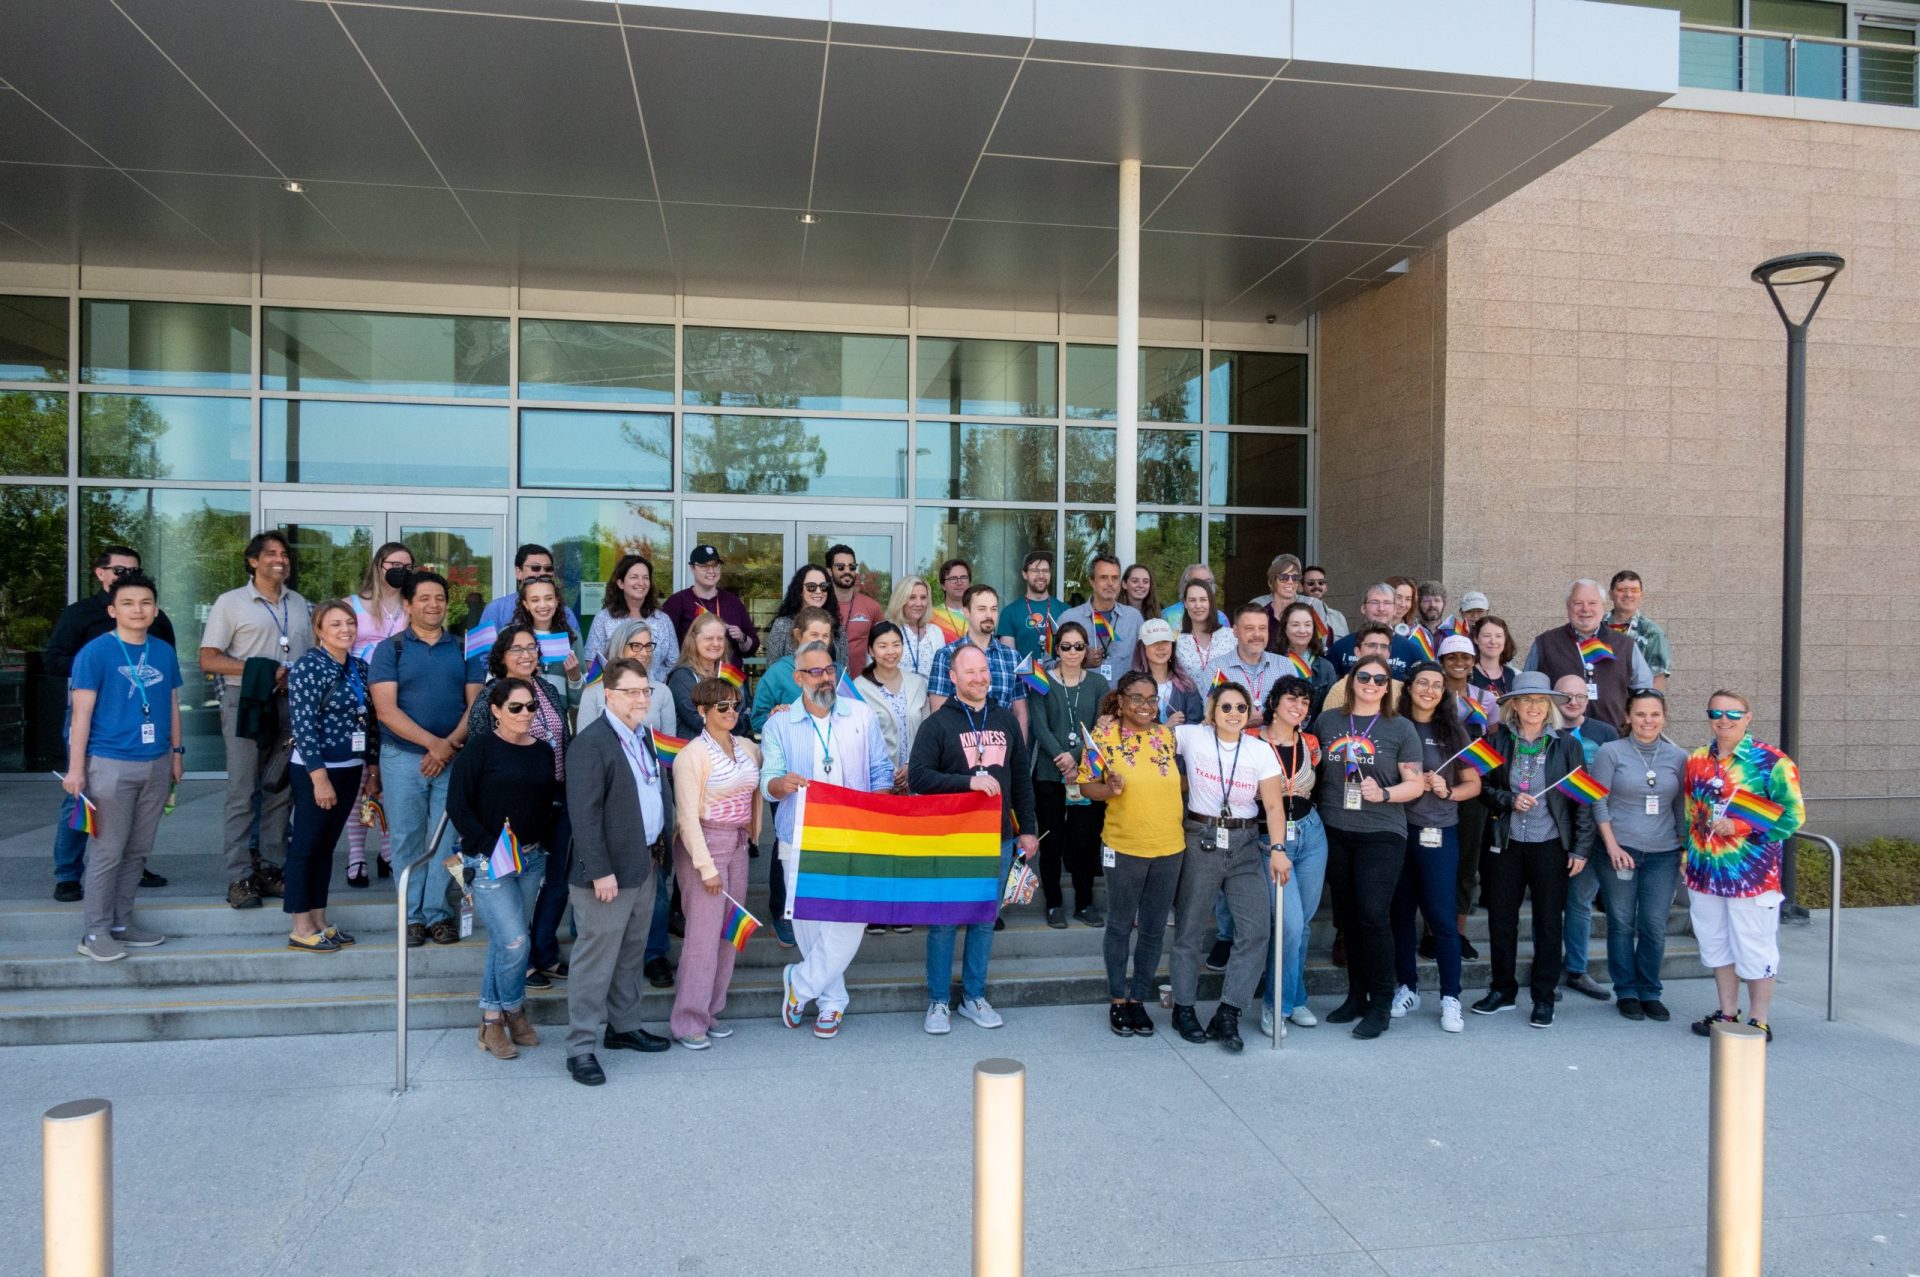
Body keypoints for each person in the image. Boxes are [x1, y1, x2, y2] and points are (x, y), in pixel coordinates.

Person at [764, 641, 894, 1038]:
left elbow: (880, 771)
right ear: (798, 677)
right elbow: (767, 783)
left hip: (853, 837)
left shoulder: (860, 714)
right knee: (810, 926)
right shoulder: (779, 724)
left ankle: (800, 984)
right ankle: (832, 1001)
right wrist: (781, 784)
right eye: (815, 671)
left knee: (851, 918)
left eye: (829, 669)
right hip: (800, 837)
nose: (825, 677)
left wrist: (881, 810)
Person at [912, 644, 1038, 1034]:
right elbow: (918, 777)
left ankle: (974, 997)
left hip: (998, 837)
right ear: (953, 678)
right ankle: (937, 1001)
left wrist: (1029, 829)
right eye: (970, 672)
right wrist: (968, 782)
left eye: (983, 670)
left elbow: (1019, 778)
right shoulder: (937, 724)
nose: (980, 678)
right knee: (945, 921)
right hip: (952, 838)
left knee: (984, 920)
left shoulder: (1004, 718)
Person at [562, 658, 674, 1086]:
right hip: (606, 875)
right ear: (608, 695)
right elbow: (584, 816)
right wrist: (599, 871)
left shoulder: (641, 734)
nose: (642, 698)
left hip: (643, 863)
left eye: (645, 690)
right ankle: (580, 1048)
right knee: (595, 962)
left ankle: (623, 1028)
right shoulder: (591, 743)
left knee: (630, 954)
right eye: (632, 691)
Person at [44, 545, 177, 902]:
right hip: (93, 717)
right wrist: (103, 669)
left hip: (142, 723)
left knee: (135, 807)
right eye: (119, 571)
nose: (126, 577)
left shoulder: (157, 620)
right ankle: (69, 872)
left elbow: (166, 676)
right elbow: (52, 660)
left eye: (133, 570)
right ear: (101, 574)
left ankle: (134, 865)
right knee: (81, 795)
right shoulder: (81, 615)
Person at [62, 572, 182, 962]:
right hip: (109, 764)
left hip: (156, 763)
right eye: (128, 603)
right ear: (113, 610)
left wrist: (177, 753)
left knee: (138, 850)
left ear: (156, 609)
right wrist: (75, 769)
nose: (138, 610)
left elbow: (172, 704)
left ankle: (121, 923)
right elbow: (80, 714)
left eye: (146, 602)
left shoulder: (162, 651)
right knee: (107, 851)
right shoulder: (95, 653)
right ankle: (94, 933)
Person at [1167, 680, 1292, 1052]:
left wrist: (1280, 848)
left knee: (1256, 929)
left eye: (1241, 707)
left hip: (1245, 844)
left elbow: (1273, 806)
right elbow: (1150, 740)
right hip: (1200, 836)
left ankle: (1229, 1011)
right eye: (1226, 707)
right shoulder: (1192, 737)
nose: (1234, 714)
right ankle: (1184, 1008)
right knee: (1189, 930)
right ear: (1212, 710)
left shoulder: (1260, 750)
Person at [1471, 671, 1596, 1027]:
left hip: (1550, 845)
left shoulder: (1568, 745)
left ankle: (1543, 997)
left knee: (1547, 923)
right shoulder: (1496, 741)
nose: (1533, 707)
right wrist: (1509, 799)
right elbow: (1478, 786)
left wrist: (1581, 849)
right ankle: (1502, 990)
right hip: (1506, 844)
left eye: (1540, 701)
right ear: (1513, 705)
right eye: (1526, 700)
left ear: (1550, 707)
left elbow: (1582, 802)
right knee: (1501, 921)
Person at [1312, 653, 1425, 1040]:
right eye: (1365, 677)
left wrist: (1386, 792)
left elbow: (1416, 783)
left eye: (1381, 680)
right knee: (1347, 917)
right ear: (1351, 679)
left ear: (1388, 687)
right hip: (1335, 829)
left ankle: (1381, 1002)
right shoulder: (1328, 722)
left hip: (1381, 832)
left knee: (1373, 915)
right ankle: (1356, 995)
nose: (1372, 685)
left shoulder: (1400, 727)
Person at [200, 531, 312, 910]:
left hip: (289, 705)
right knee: (243, 790)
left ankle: (271, 868)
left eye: (284, 554)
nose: (279, 559)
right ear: (252, 561)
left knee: (280, 789)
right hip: (246, 701)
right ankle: (239, 877)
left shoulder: (300, 604)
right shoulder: (230, 603)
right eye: (270, 554)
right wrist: (260, 671)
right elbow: (209, 659)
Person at [369, 570, 482, 948]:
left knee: (448, 840)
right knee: (406, 839)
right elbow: (385, 711)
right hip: (403, 759)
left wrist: (447, 746)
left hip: (452, 758)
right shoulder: (391, 650)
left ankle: (437, 914)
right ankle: (411, 916)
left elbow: (476, 705)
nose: (433, 605)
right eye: (424, 599)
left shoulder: (465, 648)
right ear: (407, 604)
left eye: (439, 598)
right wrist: (435, 745)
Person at [1684, 690, 1805, 1043]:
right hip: (1705, 873)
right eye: (1716, 712)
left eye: (1733, 714)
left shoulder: (1771, 762)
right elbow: (1691, 813)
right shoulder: (1696, 759)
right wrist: (1685, 856)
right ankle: (1726, 1013)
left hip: (1751, 875)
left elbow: (1792, 816)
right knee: (1716, 945)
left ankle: (1758, 1020)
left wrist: (1742, 826)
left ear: (1748, 718)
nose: (1724, 720)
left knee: (1755, 947)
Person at [448, 677, 557, 1060]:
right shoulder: (479, 749)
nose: (525, 713)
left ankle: (494, 1019)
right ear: (495, 711)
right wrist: (489, 846)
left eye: (531, 707)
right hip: (489, 860)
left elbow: (548, 804)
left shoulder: (543, 750)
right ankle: (506, 1012)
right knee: (515, 942)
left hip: (530, 858)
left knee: (504, 940)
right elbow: (458, 806)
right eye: (516, 707)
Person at [1076, 671, 1183, 1039]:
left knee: (1153, 929)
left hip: (1170, 847)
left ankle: (1139, 999)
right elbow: (1087, 787)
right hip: (1124, 847)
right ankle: (1118, 1000)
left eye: (1152, 699)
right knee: (1121, 925)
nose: (1145, 706)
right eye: (1136, 698)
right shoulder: (1102, 737)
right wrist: (1109, 788)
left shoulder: (1166, 735)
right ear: (1120, 701)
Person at [467, 624, 574, 988]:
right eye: (517, 649)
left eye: (532, 647)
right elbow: (481, 759)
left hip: (557, 798)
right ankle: (522, 960)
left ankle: (544, 950)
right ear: (501, 655)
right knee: (519, 890)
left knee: (557, 880)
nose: (527, 654)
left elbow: (563, 737)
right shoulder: (489, 697)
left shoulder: (546, 688)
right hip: (510, 811)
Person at [1387, 663, 1481, 1033]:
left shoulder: (1454, 731)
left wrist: (1447, 791)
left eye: (1437, 686)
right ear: (1409, 688)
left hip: (1440, 831)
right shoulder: (1393, 724)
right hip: (1397, 829)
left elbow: (1472, 784)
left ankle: (1450, 997)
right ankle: (1407, 988)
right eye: (1422, 683)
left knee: (1442, 918)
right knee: (1401, 913)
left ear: (1444, 693)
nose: (1429, 690)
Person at [670, 677, 763, 1048]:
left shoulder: (746, 747)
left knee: (729, 933)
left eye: (735, 704)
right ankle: (687, 1020)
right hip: (705, 844)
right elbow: (686, 818)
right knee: (702, 938)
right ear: (702, 711)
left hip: (738, 843)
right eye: (721, 706)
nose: (730, 712)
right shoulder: (692, 755)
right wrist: (706, 868)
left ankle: (710, 1011)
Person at [286, 600, 379, 953]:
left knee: (325, 848)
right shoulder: (309, 666)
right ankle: (300, 925)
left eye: (350, 623)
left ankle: (320, 921)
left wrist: (371, 767)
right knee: (306, 847)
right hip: (316, 771)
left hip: (350, 768)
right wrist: (319, 777)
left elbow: (369, 723)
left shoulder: (359, 668)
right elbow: (303, 725)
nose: (345, 630)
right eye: (336, 624)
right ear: (319, 630)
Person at [1591, 688, 1689, 1022]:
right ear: (1628, 717)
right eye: (1641, 714)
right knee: (1620, 922)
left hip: (1663, 854)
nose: (1648, 721)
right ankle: (1627, 991)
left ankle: (1650, 990)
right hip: (1620, 851)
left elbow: (1680, 806)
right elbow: (1597, 800)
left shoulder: (1678, 757)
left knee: (1653, 924)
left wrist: (1684, 847)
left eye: (1655, 714)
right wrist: (1612, 845)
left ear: (1664, 717)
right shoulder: (1611, 751)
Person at [1028, 621, 1107, 930]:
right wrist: (1062, 759)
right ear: (1055, 648)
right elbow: (1039, 725)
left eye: (1079, 646)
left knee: (1084, 841)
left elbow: (1101, 727)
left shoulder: (1099, 683)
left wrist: (1074, 758)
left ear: (1086, 649)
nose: (1072, 652)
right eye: (1066, 646)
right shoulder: (1042, 680)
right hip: (1049, 774)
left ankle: (1085, 904)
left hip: (1086, 776)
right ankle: (1053, 904)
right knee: (1051, 840)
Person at [1260, 675, 1326, 1037]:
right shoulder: (1253, 740)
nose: (1298, 706)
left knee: (1304, 924)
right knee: (1290, 924)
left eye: (1305, 702)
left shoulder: (1311, 742)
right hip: (1270, 839)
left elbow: (1321, 782)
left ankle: (1296, 996)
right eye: (1292, 698)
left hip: (1311, 833)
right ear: (1274, 701)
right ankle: (1275, 1005)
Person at [344, 542, 412, 887]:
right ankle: (356, 856)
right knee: (358, 782)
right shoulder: (352, 606)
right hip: (358, 704)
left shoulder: (411, 608)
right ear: (379, 565)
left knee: (387, 778)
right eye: (394, 563)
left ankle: (387, 851)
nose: (401, 569)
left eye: (407, 564)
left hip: (398, 702)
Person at [1555, 672, 1622, 1002]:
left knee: (1580, 903)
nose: (1573, 701)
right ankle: (1548, 969)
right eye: (1566, 695)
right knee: (1548, 904)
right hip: (1551, 831)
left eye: (1580, 696)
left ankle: (1577, 970)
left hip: (1594, 831)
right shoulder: (1545, 730)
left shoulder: (1604, 733)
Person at [1523, 578, 1653, 732]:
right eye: (1578, 603)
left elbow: (1644, 694)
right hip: (1556, 741)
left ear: (1602, 606)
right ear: (1568, 606)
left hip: (1611, 740)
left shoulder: (1625, 645)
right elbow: (1528, 691)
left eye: (1592, 603)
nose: (1585, 609)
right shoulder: (1545, 643)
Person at [1438, 633, 1494, 960]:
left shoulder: (1485, 699)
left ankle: (1457, 933)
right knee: (1435, 863)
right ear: (1442, 662)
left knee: (1467, 863)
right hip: (1436, 788)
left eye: (1465, 658)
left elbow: (1495, 740)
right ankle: (1435, 932)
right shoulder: (1431, 693)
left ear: (1474, 662)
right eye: (1452, 658)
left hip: (1472, 788)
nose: (1459, 663)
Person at [927, 584, 1029, 737]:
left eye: (993, 609)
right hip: (959, 749)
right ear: (966, 612)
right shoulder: (946, 656)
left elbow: (1020, 713)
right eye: (982, 609)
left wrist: (1019, 756)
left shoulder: (1013, 658)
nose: (989, 615)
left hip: (1003, 750)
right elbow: (939, 715)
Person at [856, 621, 928, 829]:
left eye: (896, 644)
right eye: (883, 645)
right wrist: (891, 772)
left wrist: (911, 766)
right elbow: (857, 738)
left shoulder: (917, 683)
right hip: (878, 782)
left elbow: (927, 730)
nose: (891, 651)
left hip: (916, 776)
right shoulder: (859, 687)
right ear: (871, 649)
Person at [583, 553, 678, 680]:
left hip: (654, 693)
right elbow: (591, 662)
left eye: (646, 577)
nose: (641, 582)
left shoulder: (662, 620)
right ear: (621, 583)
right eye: (634, 577)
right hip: (615, 694)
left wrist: (659, 683)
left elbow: (674, 662)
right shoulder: (604, 619)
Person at [577, 619, 676, 736]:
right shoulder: (593, 691)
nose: (644, 653)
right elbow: (584, 744)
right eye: (636, 646)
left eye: (648, 646)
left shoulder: (662, 692)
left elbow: (669, 745)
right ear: (619, 646)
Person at [1203, 605, 1294, 730]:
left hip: (1275, 745)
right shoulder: (1216, 669)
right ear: (1235, 631)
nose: (1257, 635)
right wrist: (1244, 719)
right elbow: (1211, 715)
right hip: (1233, 744)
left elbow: (1296, 709)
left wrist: (1266, 717)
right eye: (1249, 628)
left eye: (1262, 628)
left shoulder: (1285, 666)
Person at [662, 544, 759, 657]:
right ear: (692, 568)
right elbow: (665, 646)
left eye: (715, 565)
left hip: (727, 673)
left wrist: (742, 637)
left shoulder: (733, 602)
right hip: (692, 672)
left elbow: (751, 649)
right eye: (704, 566)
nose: (711, 571)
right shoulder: (677, 602)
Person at [751, 607, 836, 734]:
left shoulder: (836, 670)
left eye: (825, 636)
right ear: (798, 635)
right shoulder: (777, 672)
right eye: (814, 635)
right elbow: (757, 721)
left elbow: (853, 712)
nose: (820, 640)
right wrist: (773, 716)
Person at [1059, 554, 1143, 680]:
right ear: (1092, 582)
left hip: (1122, 697)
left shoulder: (1134, 618)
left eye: (1115, 578)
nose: (1110, 583)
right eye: (1103, 577)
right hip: (1082, 697)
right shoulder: (1069, 618)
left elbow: (1145, 661)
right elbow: (1049, 664)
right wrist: (1080, 661)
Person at [475, 543, 581, 636]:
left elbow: (576, 652)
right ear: (519, 572)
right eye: (535, 568)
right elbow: (484, 656)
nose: (542, 573)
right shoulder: (496, 610)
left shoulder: (565, 612)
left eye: (548, 568)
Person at [511, 573, 584, 702]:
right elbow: (495, 685)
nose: (543, 605)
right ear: (525, 604)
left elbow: (580, 701)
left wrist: (575, 677)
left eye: (548, 598)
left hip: (559, 716)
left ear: (557, 601)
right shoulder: (510, 636)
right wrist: (526, 676)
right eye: (535, 600)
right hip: (519, 716)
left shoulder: (573, 638)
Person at [1327, 584, 1423, 678]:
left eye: (1387, 603)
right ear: (1363, 608)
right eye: (1374, 602)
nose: (1381, 608)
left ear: (1394, 609)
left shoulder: (1412, 651)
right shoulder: (1340, 647)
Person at [996, 550, 1068, 664]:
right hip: (1023, 680)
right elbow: (1009, 659)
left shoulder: (1066, 611)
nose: (1041, 575)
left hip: (1058, 680)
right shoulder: (1009, 612)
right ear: (1025, 574)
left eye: (1045, 571)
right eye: (1035, 571)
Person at [668, 612, 732, 738]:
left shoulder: (728, 674)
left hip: (726, 748)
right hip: (694, 751)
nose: (716, 643)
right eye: (709, 638)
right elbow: (697, 720)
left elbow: (744, 716)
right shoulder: (682, 677)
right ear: (693, 639)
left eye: (720, 638)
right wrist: (730, 721)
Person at [764, 565, 844, 665]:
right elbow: (772, 670)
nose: (818, 591)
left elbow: (844, 671)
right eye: (811, 586)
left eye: (824, 586)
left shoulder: (836, 626)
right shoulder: (782, 625)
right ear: (800, 590)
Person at [824, 543, 885, 673]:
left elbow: (882, 646)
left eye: (851, 567)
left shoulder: (872, 606)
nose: (847, 571)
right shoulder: (820, 606)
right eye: (840, 567)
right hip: (824, 682)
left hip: (860, 686)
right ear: (829, 571)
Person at [1606, 571, 1672, 691]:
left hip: (1633, 705)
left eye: (1634, 590)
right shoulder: (1597, 626)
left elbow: (1656, 682)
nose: (1628, 594)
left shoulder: (1652, 633)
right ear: (1611, 594)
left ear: (1641, 595)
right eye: (1622, 589)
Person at [1133, 618, 1202, 726]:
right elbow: (1130, 730)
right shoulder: (1131, 687)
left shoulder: (1188, 685)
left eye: (1165, 641)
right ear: (1142, 647)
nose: (1161, 647)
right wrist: (1165, 728)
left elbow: (1196, 727)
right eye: (1154, 642)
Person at [1254, 554, 1335, 643]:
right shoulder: (1258, 605)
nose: (1290, 581)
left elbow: (1322, 642)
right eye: (1283, 577)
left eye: (1295, 577)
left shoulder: (1312, 604)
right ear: (1272, 579)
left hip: (1302, 656)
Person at [1274, 601, 1338, 713]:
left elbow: (1329, 710)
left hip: (1313, 729)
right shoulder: (1272, 663)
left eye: (1307, 625)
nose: (1302, 630)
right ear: (1285, 628)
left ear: (1314, 629)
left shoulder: (1326, 668)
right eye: (1295, 625)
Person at [1174, 578, 1233, 686]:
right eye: (1192, 600)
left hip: (1223, 701)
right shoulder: (1176, 640)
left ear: (1210, 602)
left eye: (1203, 599)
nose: (1198, 605)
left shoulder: (1231, 636)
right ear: (1185, 604)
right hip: (1190, 702)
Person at [886, 574, 943, 679]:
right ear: (901, 600)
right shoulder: (887, 630)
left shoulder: (936, 632)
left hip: (929, 695)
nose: (918, 603)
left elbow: (941, 674)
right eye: (912, 597)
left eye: (923, 598)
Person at [1469, 614, 1521, 701]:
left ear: (1505, 639)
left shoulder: (1516, 675)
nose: (1493, 641)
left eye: (1498, 636)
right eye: (1486, 636)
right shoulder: (1467, 675)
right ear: (1476, 639)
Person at [1160, 563, 1227, 627]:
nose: (1202, 586)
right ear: (1185, 585)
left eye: (1207, 582)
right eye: (1197, 581)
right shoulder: (1168, 615)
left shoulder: (1221, 618)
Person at [1301, 564, 1349, 638]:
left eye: (1321, 582)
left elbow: (1345, 646)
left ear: (1326, 587)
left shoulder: (1338, 617)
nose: (1317, 586)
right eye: (1311, 583)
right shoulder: (1295, 615)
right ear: (1302, 587)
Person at [931, 557, 972, 638]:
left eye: (963, 577)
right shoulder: (931, 616)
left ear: (969, 583)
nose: (959, 582)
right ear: (943, 585)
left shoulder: (978, 613)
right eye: (953, 578)